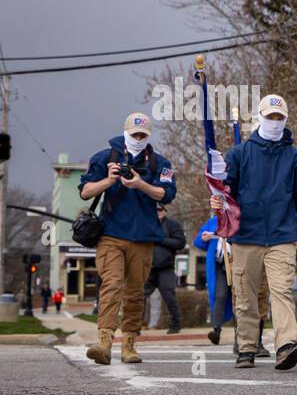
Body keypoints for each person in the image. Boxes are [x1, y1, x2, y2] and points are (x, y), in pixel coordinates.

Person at [214, 94, 297, 370]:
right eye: (270, 116)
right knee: (245, 295)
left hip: (282, 235)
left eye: (279, 118)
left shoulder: (295, 158)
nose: (274, 122)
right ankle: (247, 347)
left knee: (282, 291)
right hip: (245, 235)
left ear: (285, 120)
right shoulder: (239, 154)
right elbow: (227, 190)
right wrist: (218, 200)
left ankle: (286, 345)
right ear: (259, 117)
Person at [78, 112, 177, 364]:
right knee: (111, 285)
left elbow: (166, 195)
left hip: (143, 238)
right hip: (111, 234)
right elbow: (85, 192)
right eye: (134, 134)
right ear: (125, 133)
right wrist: (109, 180)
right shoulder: (104, 158)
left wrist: (140, 183)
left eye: (143, 135)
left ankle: (130, 344)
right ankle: (104, 342)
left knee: (135, 293)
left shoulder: (159, 163)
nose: (138, 138)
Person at [143, 203, 186, 333]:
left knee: (169, 297)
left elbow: (180, 243)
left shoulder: (173, 225)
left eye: (160, 209)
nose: (157, 212)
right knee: (139, 297)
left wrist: (160, 239)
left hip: (165, 268)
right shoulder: (145, 224)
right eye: (154, 210)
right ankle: (135, 326)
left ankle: (175, 325)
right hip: (147, 268)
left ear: (165, 211)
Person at [193, 215, 234, 344]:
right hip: (219, 265)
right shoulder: (213, 221)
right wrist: (204, 238)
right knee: (220, 295)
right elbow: (198, 242)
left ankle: (242, 332)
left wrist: (220, 236)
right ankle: (216, 330)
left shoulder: (237, 218)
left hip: (236, 263)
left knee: (240, 297)